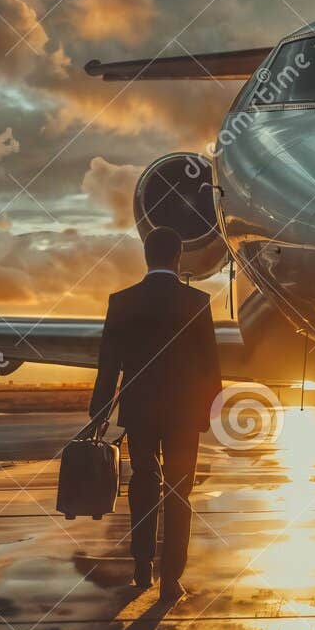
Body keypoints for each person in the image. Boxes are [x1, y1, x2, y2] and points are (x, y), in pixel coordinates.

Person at [84, 226, 223, 601]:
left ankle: (142, 566)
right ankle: (171, 579)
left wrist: (98, 414)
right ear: (178, 258)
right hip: (183, 414)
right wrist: (208, 413)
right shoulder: (196, 302)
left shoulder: (123, 302)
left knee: (143, 483)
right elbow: (211, 365)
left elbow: (108, 365)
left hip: (140, 411)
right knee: (180, 492)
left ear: (146, 258)